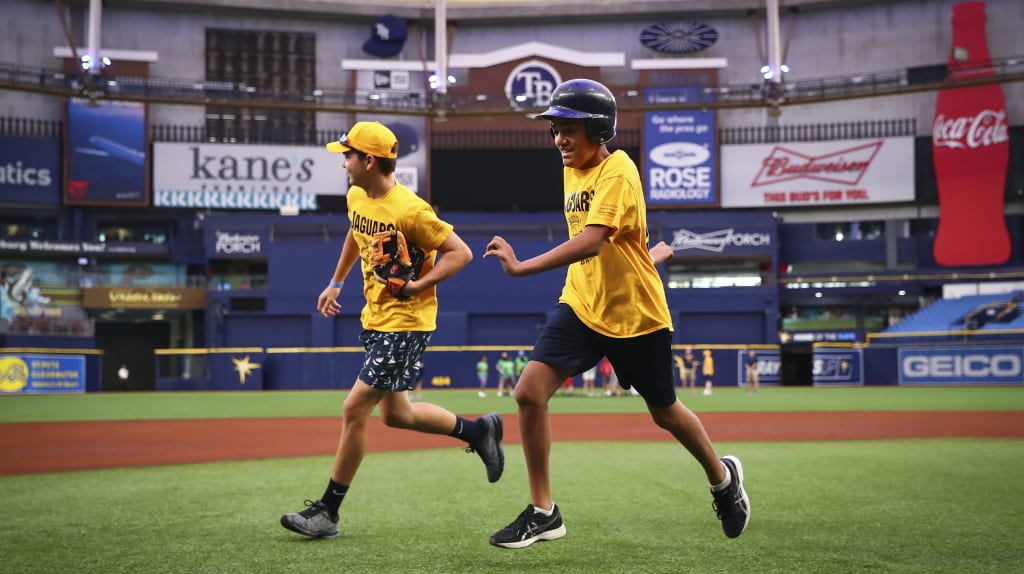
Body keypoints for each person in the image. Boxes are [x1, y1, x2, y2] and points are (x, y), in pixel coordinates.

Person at [483, 79, 749, 549]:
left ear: (598, 128)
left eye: (569, 128)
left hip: (635, 316)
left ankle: (722, 478)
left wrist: (523, 267)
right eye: (555, 130)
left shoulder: (619, 169)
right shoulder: (572, 168)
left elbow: (593, 239)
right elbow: (615, 240)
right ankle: (544, 512)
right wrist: (650, 254)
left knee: (665, 413)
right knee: (528, 391)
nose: (559, 139)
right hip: (583, 304)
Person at [280, 121, 505, 540]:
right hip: (376, 318)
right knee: (397, 414)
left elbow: (461, 252)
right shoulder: (356, 196)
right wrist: (335, 282)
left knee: (354, 409)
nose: (343, 161)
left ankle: (328, 512)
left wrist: (419, 285)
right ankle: (479, 430)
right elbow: (355, 230)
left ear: (369, 161)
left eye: (348, 155)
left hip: (406, 324)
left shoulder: (411, 210)